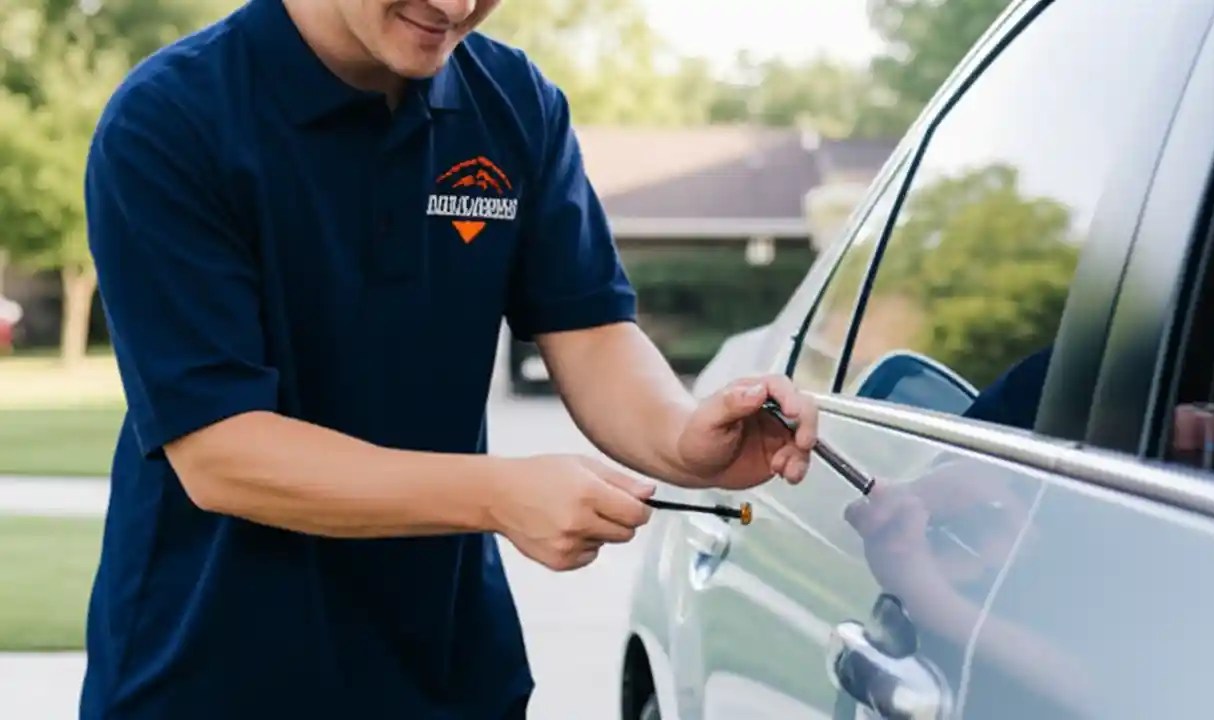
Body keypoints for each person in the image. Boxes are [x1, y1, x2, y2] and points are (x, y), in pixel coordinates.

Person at [80, 1, 819, 718]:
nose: (457, 5)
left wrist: (684, 440)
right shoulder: (169, 120)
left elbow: (590, 331)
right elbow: (222, 452)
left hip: (449, 678)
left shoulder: (515, 104)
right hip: (210, 679)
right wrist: (500, 495)